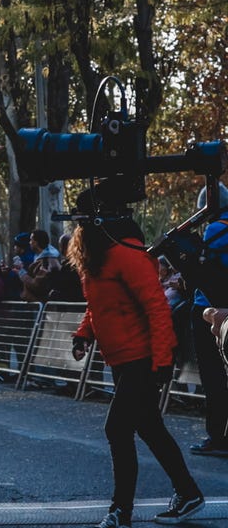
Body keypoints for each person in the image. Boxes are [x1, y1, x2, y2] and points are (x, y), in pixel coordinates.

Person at [68, 203, 204, 528]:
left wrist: (162, 359)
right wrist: (84, 334)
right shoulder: (97, 257)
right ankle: (188, 493)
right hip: (122, 357)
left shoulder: (127, 254)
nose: (78, 228)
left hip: (140, 358)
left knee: (117, 429)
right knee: (149, 428)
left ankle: (121, 511)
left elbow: (157, 307)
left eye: (82, 221)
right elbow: (98, 305)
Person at [186, 182, 228, 457]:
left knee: (213, 376)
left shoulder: (215, 230)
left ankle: (218, 436)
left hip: (208, 309)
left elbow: (202, 270)